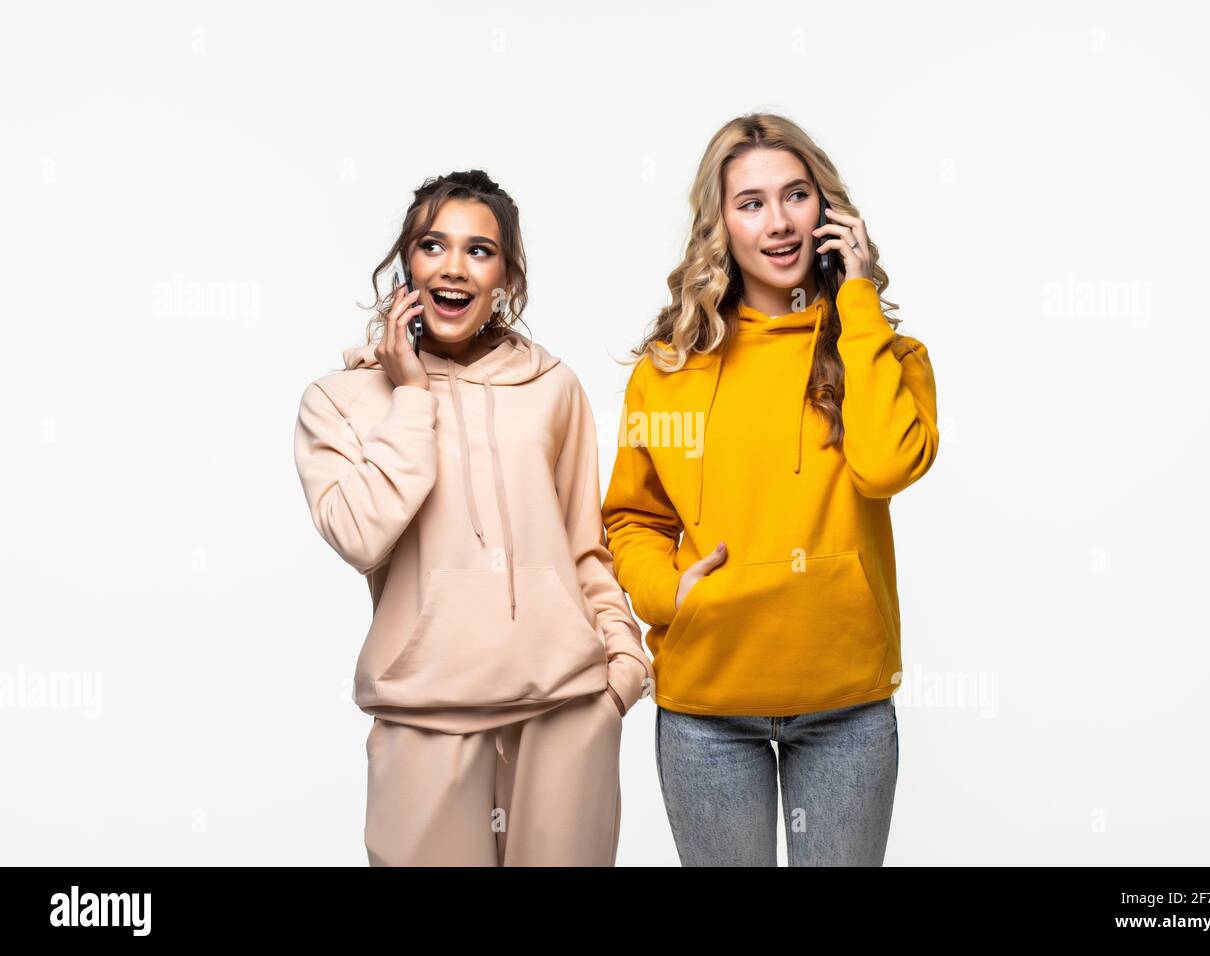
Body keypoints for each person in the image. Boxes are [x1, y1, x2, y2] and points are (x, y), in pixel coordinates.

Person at [601, 113, 939, 866]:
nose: (779, 223)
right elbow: (630, 517)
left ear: (829, 213)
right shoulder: (668, 369)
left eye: (796, 196)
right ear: (719, 223)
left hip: (845, 704)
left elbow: (885, 466)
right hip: (707, 709)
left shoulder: (887, 355)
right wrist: (667, 595)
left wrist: (856, 300)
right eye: (751, 203)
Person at [293, 170, 653, 866]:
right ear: (406, 265)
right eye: (433, 245)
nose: (454, 268)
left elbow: (587, 547)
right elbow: (360, 535)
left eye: (479, 251)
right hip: (424, 717)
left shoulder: (554, 387)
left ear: (507, 278)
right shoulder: (338, 401)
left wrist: (621, 672)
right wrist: (410, 396)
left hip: (567, 709)